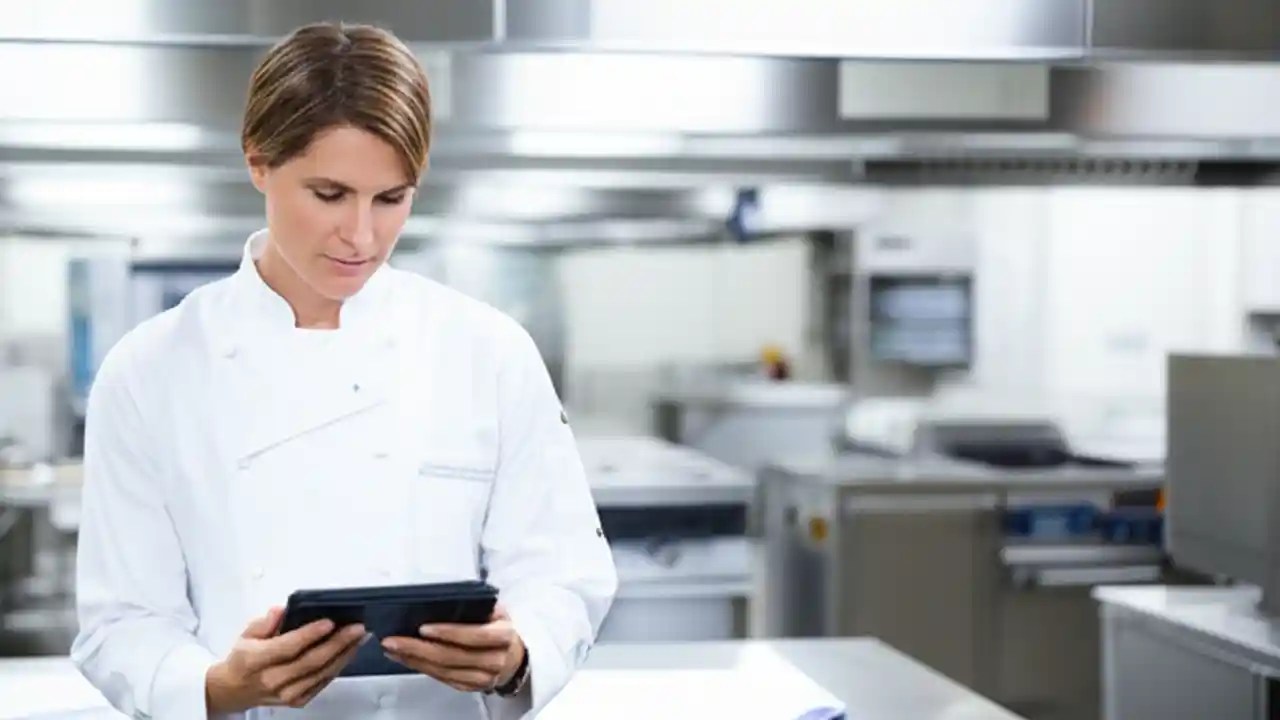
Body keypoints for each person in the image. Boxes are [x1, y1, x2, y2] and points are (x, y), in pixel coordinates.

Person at [70, 22, 617, 719]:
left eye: (391, 199)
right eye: (329, 194)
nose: (362, 237)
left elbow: (563, 573)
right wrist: (219, 686)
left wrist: (516, 657)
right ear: (258, 162)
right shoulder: (150, 371)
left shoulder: (488, 351)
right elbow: (120, 621)